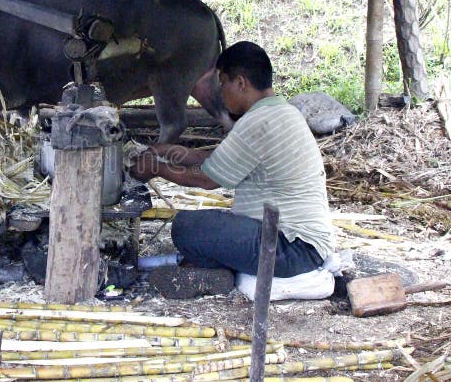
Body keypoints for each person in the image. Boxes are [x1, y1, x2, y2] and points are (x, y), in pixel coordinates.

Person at [129, 41, 335, 299]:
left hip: (290, 249)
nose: (220, 93)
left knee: (186, 227)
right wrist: (167, 150)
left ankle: (213, 272)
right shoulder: (281, 112)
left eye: (222, 83)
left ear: (240, 83)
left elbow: (206, 179)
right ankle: (216, 267)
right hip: (302, 246)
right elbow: (220, 158)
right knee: (207, 228)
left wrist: (157, 169)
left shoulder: (257, 122)